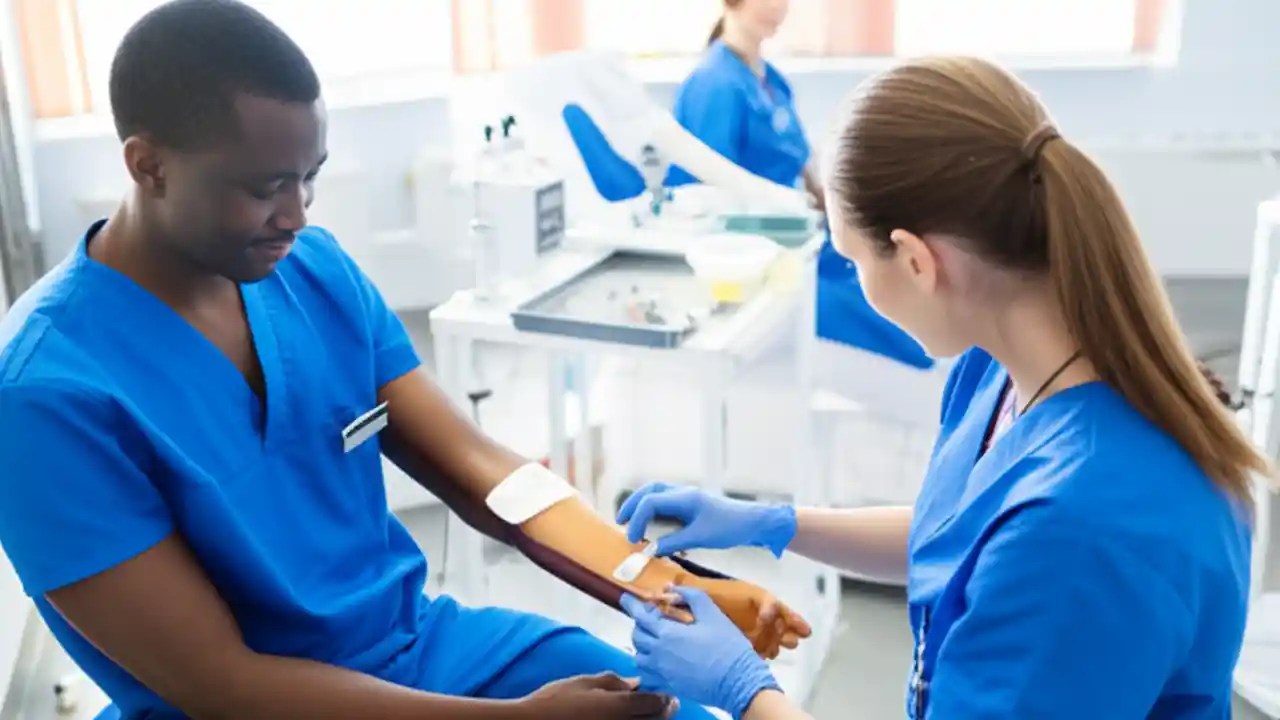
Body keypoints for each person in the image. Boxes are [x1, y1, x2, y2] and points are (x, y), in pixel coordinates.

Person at [0, 2, 816, 718]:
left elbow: (480, 468)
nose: (296, 213)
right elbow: (222, 686)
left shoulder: (312, 271)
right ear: (148, 165)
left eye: (309, 178)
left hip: (424, 649)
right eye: (263, 186)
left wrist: (666, 587)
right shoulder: (47, 396)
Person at [618, 55, 1267, 719]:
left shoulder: (1083, 532)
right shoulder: (1000, 373)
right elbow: (964, 540)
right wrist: (775, 523)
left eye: (853, 260)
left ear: (918, 260)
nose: (858, 283)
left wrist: (747, 693)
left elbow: (1028, 547)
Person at [670, 0, 937, 394]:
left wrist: (844, 211)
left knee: (904, 301)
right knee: (882, 321)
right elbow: (708, 197)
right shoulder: (714, 85)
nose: (777, 7)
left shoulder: (772, 82)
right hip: (764, 261)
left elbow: (804, 163)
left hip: (806, 238)